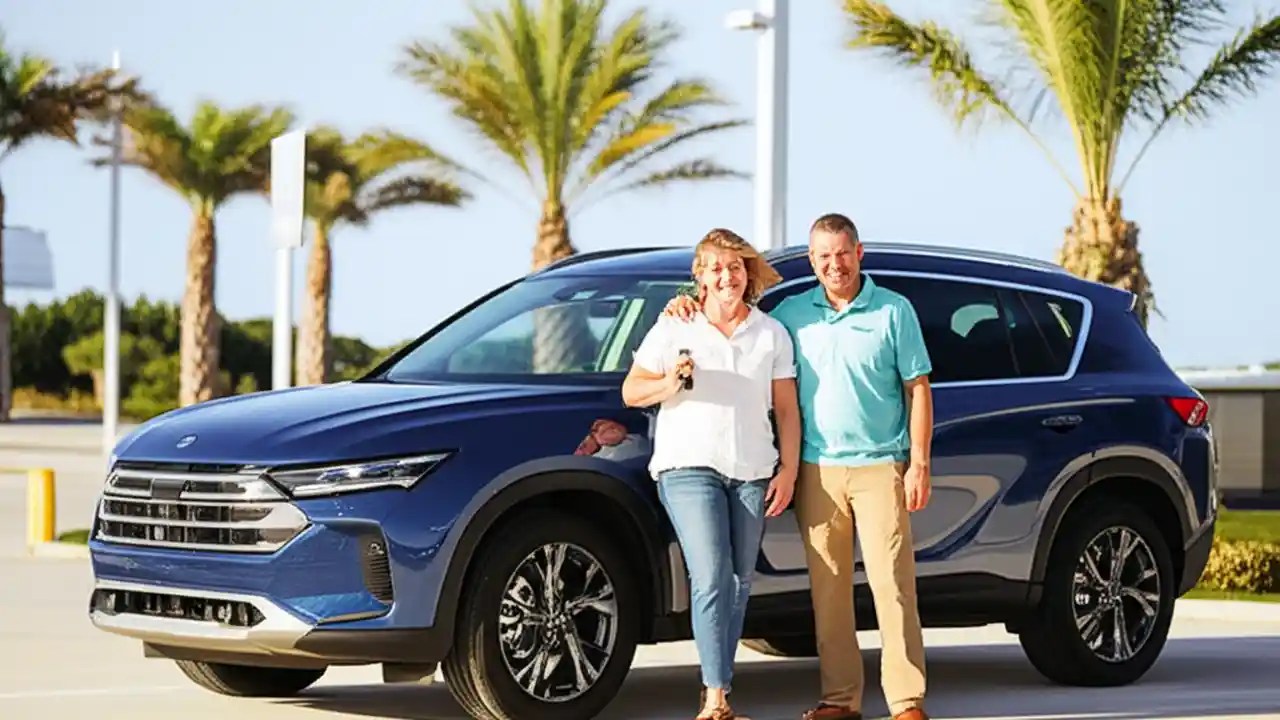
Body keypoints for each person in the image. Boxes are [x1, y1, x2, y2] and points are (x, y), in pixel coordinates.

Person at [665, 213, 933, 720]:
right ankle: (840, 700)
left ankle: (906, 702)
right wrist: (682, 302)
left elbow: (918, 388)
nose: (835, 265)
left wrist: (918, 462)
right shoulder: (790, 316)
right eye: (824, 256)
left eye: (842, 253)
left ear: (859, 253)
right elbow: (728, 312)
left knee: (892, 588)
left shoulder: (895, 312)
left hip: (881, 467)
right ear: (812, 262)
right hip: (817, 470)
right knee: (828, 593)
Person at [623, 227, 802, 720]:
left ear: (747, 274)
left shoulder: (771, 334)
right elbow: (631, 391)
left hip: (752, 470)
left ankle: (721, 694)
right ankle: (715, 697)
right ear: (699, 277)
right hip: (688, 468)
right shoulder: (675, 328)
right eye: (716, 268)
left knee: (741, 579)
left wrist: (787, 470)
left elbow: (786, 411)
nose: (728, 276)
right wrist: (670, 382)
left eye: (736, 267)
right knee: (711, 576)